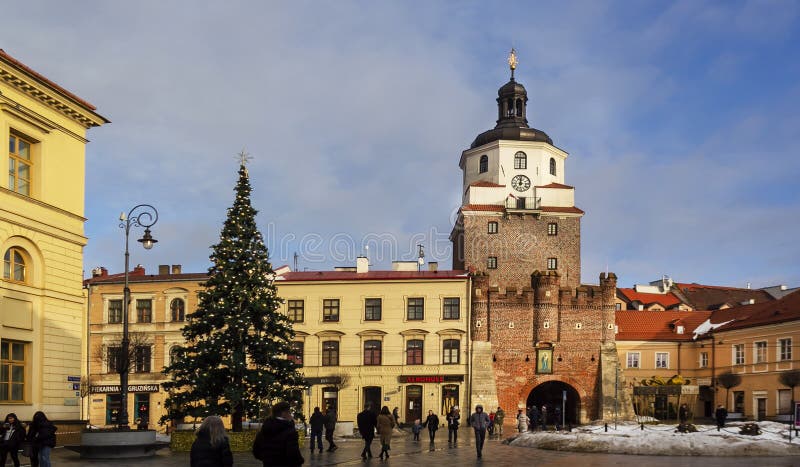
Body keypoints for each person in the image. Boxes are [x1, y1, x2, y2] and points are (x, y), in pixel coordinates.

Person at [252, 401, 304, 466]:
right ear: (284, 413)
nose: (290, 414)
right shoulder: (289, 431)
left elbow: (256, 450)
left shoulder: (265, 428)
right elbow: (293, 454)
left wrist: (267, 459)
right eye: (289, 412)